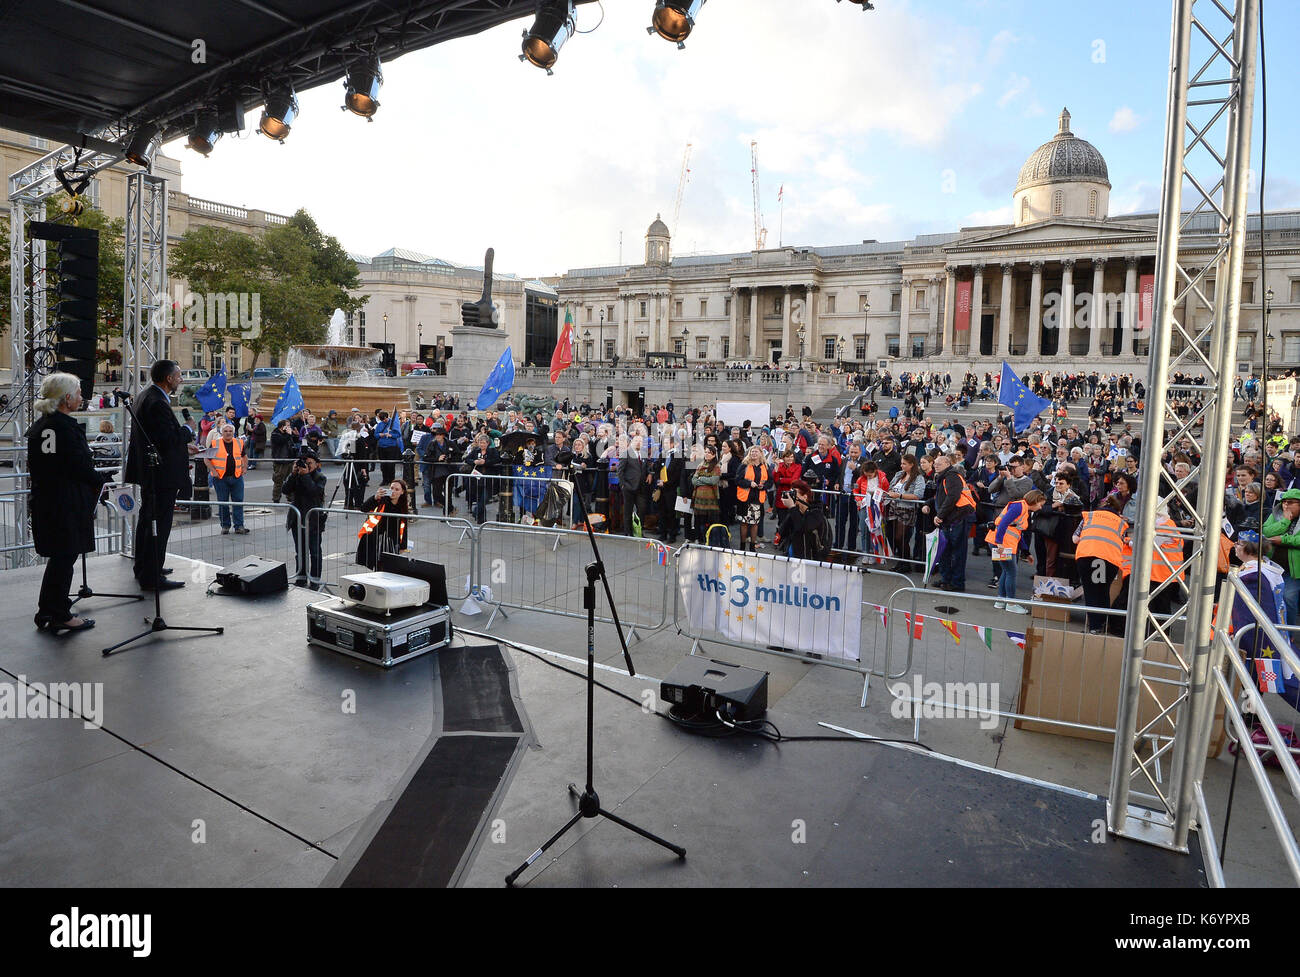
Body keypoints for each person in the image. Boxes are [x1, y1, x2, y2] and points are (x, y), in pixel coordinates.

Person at [26, 373, 113, 632]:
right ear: (66, 399)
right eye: (77, 393)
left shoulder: (42, 426)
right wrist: (98, 478)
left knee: (59, 558)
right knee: (64, 558)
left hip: (48, 501)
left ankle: (49, 609)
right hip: (66, 504)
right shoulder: (64, 427)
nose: (81, 397)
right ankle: (60, 613)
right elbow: (78, 466)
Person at [125, 360, 198, 591]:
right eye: (179, 376)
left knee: (147, 520)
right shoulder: (157, 402)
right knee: (159, 523)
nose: (181, 380)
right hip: (161, 474)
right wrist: (188, 429)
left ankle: (146, 567)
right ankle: (152, 576)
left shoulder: (145, 396)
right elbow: (168, 438)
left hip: (151, 471)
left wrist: (182, 447)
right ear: (168, 378)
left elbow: (156, 438)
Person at [1073, 497, 1127, 635]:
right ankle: (1102, 622)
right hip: (1108, 559)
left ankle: (1094, 626)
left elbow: (1075, 538)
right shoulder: (1121, 523)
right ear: (1118, 510)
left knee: (1090, 592)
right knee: (1102, 590)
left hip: (1087, 555)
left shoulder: (1089, 516)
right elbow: (1122, 539)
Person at [988, 490, 1046, 614]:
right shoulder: (1020, 507)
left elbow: (1017, 532)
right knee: (1011, 572)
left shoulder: (1022, 507)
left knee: (1007, 571)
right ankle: (1010, 603)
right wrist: (999, 543)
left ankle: (1001, 600)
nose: (1040, 507)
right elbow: (1004, 523)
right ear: (1035, 501)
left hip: (1001, 543)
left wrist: (1026, 552)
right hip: (1002, 544)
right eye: (1040, 504)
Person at [931, 453, 977, 592]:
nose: (935, 466)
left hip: (957, 518)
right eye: (935, 464)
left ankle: (957, 583)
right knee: (946, 551)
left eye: (938, 464)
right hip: (950, 519)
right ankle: (946, 579)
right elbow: (941, 497)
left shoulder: (952, 476)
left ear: (947, 464)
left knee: (957, 552)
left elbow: (952, 497)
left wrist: (940, 515)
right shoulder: (945, 476)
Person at [282, 452, 327, 587]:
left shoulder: (320, 477)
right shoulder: (297, 475)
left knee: (315, 552)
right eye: (304, 463)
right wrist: (293, 474)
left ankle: (315, 581)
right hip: (297, 518)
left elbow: (314, 492)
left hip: (313, 520)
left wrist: (306, 475)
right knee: (300, 552)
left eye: (309, 463)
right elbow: (285, 490)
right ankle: (300, 579)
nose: (306, 466)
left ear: (316, 464)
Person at [206, 423, 250, 535]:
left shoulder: (239, 443)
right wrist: (213, 471)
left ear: (233, 432)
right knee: (223, 503)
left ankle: (239, 526)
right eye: (226, 431)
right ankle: (225, 526)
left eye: (230, 431)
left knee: (238, 502)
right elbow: (206, 459)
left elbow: (244, 456)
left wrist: (245, 467)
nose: (228, 433)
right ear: (222, 433)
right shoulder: (215, 443)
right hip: (221, 478)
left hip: (236, 477)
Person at [356, 479, 411, 569]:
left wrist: (403, 546)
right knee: (378, 567)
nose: (393, 491)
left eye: (397, 489)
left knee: (389, 567)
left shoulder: (402, 506)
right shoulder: (381, 499)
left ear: (402, 492)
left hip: (391, 541)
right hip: (376, 538)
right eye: (391, 488)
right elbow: (363, 508)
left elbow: (403, 527)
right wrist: (375, 497)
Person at [774, 480, 832, 561]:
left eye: (794, 493)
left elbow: (803, 527)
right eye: (791, 492)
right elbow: (783, 531)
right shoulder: (795, 510)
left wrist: (792, 508)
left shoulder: (816, 512)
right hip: (796, 555)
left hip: (813, 558)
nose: (792, 496)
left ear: (805, 496)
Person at [735, 445, 770, 553]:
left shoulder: (765, 466)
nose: (753, 454)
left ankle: (752, 546)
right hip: (745, 498)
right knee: (744, 523)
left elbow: (770, 482)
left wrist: (763, 486)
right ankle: (742, 546)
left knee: (755, 523)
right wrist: (749, 483)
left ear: (760, 453)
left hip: (757, 499)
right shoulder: (744, 465)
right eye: (752, 452)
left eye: (756, 452)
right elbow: (738, 480)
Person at [270, 418, 296, 503]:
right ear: (282, 427)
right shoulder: (275, 434)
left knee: (290, 480)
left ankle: (290, 497)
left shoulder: (287, 434)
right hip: (280, 461)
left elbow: (291, 445)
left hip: (289, 460)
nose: (289, 427)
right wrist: (288, 434)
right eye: (287, 426)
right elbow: (281, 441)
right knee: (278, 480)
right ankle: (276, 499)